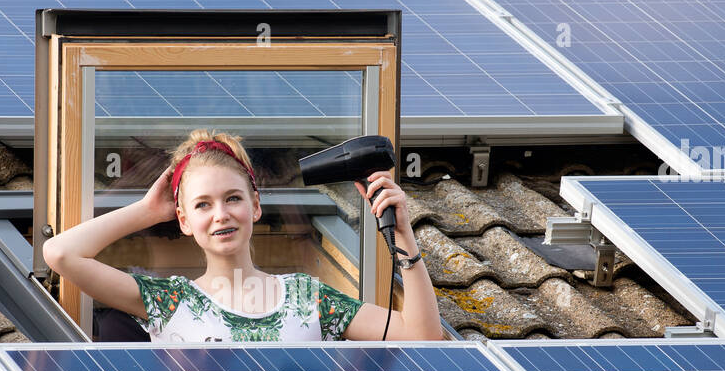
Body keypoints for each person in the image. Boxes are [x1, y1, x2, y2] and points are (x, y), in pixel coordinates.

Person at [42, 129, 441, 343]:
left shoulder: (309, 298)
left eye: (233, 198)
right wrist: (147, 211)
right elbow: (61, 254)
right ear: (183, 220)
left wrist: (404, 234)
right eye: (202, 205)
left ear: (255, 206)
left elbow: (422, 338)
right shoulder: (168, 301)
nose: (221, 215)